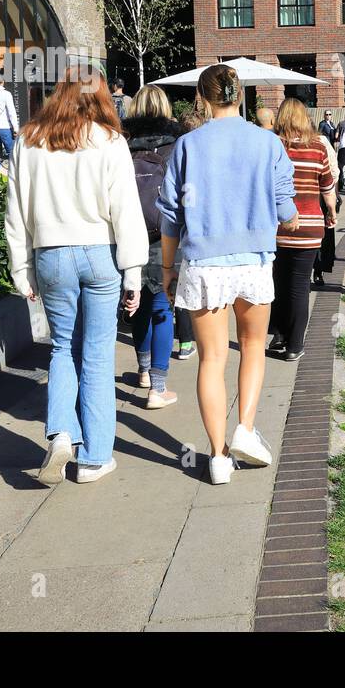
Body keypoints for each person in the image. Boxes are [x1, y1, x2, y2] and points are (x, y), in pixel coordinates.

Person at [5, 63, 149, 486]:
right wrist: (134, 272)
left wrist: (21, 268)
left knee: (62, 348)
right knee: (99, 354)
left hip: (50, 253)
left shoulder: (28, 141)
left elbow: (15, 214)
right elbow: (126, 211)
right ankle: (95, 458)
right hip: (100, 252)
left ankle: (63, 431)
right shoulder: (109, 141)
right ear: (102, 95)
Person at [157, 63, 298, 485]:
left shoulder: (187, 145)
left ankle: (218, 457)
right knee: (253, 347)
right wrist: (287, 222)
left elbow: (170, 216)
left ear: (202, 98)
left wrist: (168, 269)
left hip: (204, 263)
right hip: (253, 260)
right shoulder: (266, 142)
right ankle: (246, 430)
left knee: (211, 359)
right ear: (242, 96)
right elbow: (284, 206)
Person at [123, 84, 183, 410]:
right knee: (163, 310)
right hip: (165, 236)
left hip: (128, 235)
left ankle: (144, 371)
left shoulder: (121, 143)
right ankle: (158, 388)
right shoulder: (176, 145)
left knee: (137, 306)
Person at [269, 98, 337, 359]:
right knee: (299, 285)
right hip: (309, 225)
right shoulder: (318, 146)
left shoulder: (273, 146)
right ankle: (295, 346)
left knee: (279, 282)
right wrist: (331, 212)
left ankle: (281, 334)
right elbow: (327, 185)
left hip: (277, 226)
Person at [173, 109, 206, 360]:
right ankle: (193, 336)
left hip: (179, 230)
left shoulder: (175, 152)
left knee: (180, 289)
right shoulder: (207, 154)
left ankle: (185, 341)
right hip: (204, 234)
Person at [314, 127, 340, 288]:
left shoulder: (282, 140)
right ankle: (319, 269)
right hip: (321, 193)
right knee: (322, 232)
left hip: (296, 195)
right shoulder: (321, 141)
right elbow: (333, 169)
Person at [0, 81, 20, 162]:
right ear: (3, 82)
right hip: (4, 127)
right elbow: (11, 112)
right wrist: (16, 128)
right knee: (12, 153)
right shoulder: (6, 94)